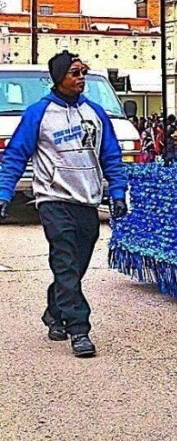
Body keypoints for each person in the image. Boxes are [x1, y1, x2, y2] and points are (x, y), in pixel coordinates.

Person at [0, 52, 128, 358]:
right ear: (59, 78)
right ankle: (79, 329)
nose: (81, 77)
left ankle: (54, 312)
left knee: (77, 264)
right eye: (74, 73)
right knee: (66, 261)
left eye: (83, 72)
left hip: (87, 200)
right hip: (53, 199)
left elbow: (111, 155)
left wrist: (119, 192)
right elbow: (15, 156)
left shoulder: (96, 113)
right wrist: (3, 194)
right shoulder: (38, 114)